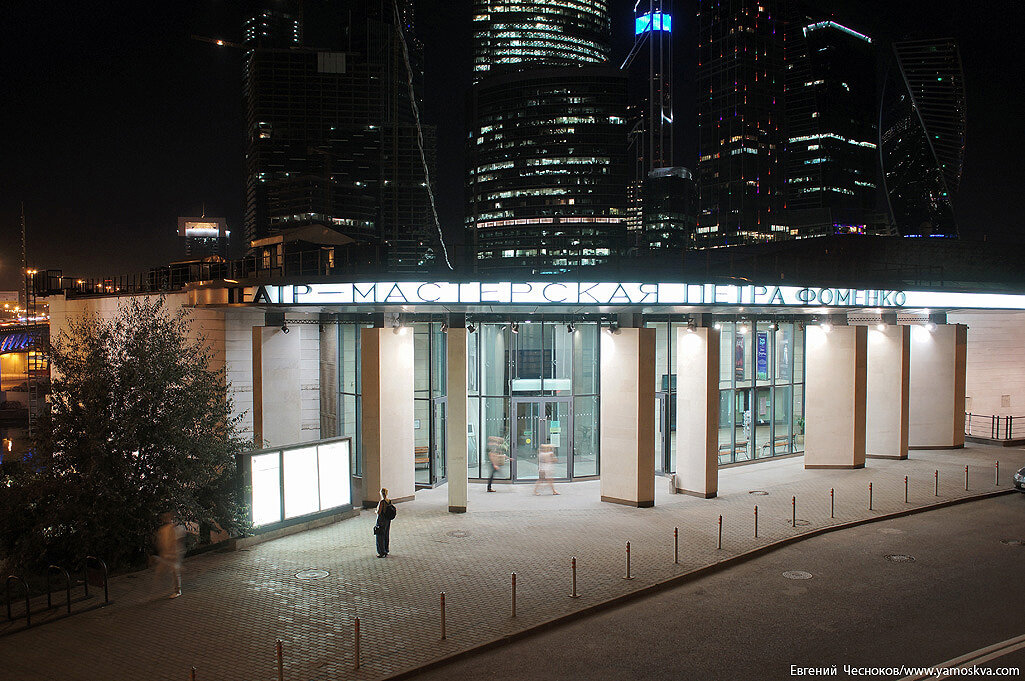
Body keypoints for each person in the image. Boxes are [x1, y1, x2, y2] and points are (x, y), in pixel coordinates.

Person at [154, 511, 185, 598]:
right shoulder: (163, 529)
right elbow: (162, 542)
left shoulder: (177, 528)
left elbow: (179, 541)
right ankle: (159, 588)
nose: (166, 519)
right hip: (166, 554)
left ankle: (178, 591)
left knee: (175, 570)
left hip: (175, 554)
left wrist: (177, 553)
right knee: (160, 571)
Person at [375, 488, 396, 557]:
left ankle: (381, 552)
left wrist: (376, 511)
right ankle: (386, 550)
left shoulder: (382, 502)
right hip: (387, 520)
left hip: (381, 520)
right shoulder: (389, 501)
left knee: (380, 535)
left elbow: (379, 512)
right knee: (386, 534)